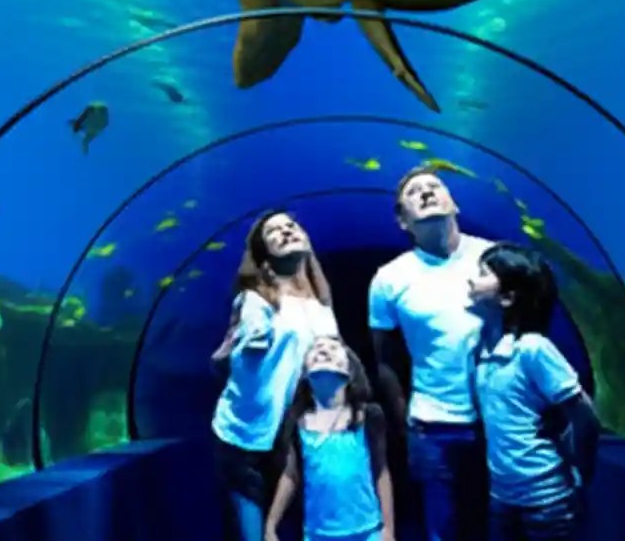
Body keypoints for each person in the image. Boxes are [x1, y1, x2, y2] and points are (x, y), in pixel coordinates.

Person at [368, 167, 493, 541]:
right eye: (413, 193)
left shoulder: (494, 257)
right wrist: (402, 418)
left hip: (500, 417)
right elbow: (385, 358)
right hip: (432, 423)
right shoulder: (390, 278)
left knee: (499, 523)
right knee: (442, 528)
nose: (425, 193)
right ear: (402, 220)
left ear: (454, 203)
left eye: (434, 187)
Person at [211, 211, 341, 541]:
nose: (285, 232)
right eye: (273, 232)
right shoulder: (256, 299)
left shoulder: (322, 305)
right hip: (243, 434)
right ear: (263, 252)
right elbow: (240, 351)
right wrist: (242, 345)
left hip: (295, 435)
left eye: (291, 226)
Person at [467, 243, 600, 541]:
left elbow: (584, 416)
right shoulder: (483, 350)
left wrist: (583, 473)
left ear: (508, 297)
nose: (471, 280)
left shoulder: (532, 348)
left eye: (483, 274)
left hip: (546, 500)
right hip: (502, 497)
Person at [266, 336, 395, 541]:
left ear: (349, 370)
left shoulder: (368, 417)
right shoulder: (297, 422)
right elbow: (291, 475)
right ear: (305, 372)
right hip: (318, 535)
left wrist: (388, 529)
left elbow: (381, 471)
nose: (324, 351)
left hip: (368, 532)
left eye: (333, 347)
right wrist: (271, 524)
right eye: (316, 347)